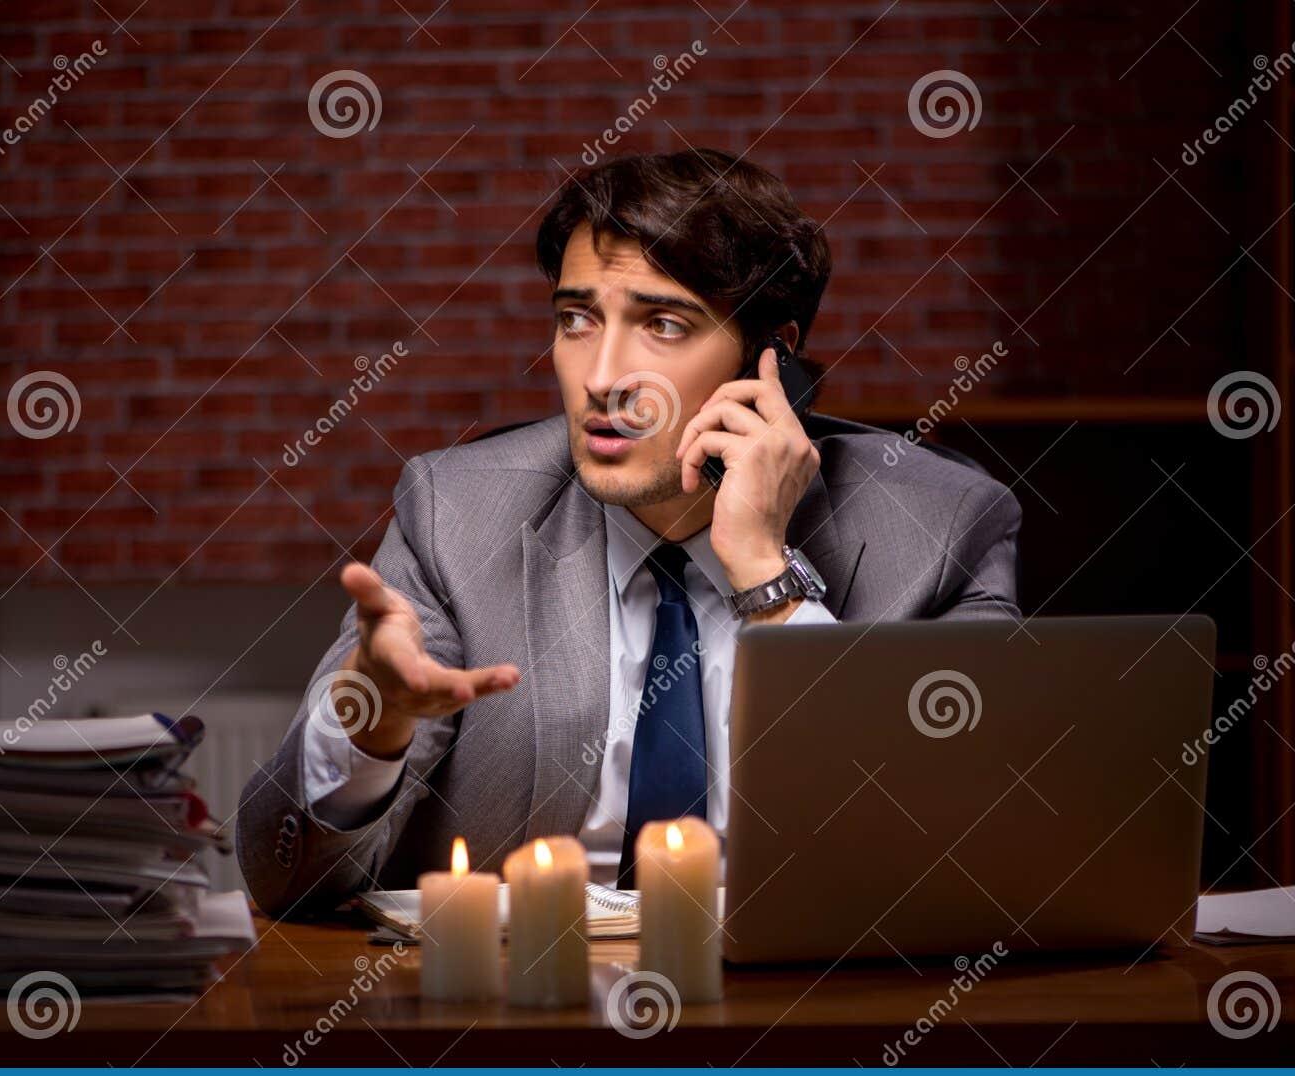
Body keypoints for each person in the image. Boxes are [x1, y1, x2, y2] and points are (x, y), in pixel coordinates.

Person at [238, 148, 1021, 915]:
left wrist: (763, 571)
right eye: (577, 318)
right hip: (531, 1012)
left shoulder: (941, 526)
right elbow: (288, 880)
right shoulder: (458, 516)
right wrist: (373, 725)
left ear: (773, 358)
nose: (603, 375)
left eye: (664, 324)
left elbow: (983, 850)